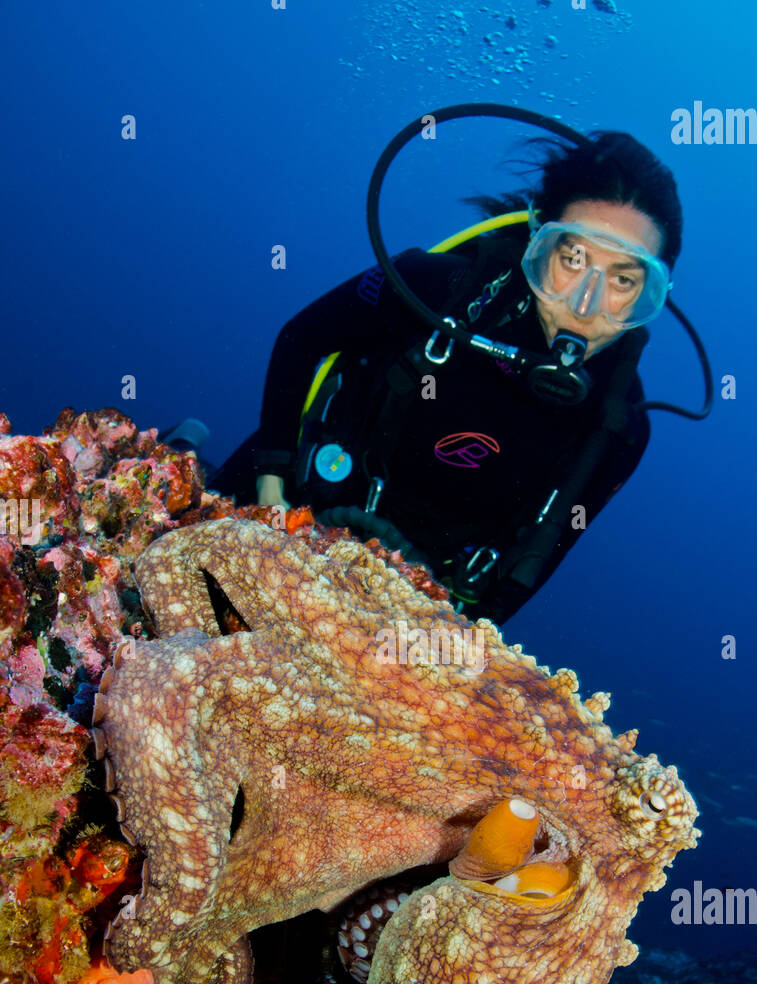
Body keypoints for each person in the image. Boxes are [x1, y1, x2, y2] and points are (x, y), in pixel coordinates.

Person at [211, 131, 684, 625]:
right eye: (573, 259)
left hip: (412, 610)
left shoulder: (620, 425)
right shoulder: (430, 287)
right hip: (289, 501)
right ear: (538, 242)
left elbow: (535, 562)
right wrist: (271, 487)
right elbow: (300, 339)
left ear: (652, 293)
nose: (584, 306)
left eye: (623, 280)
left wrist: (459, 640)